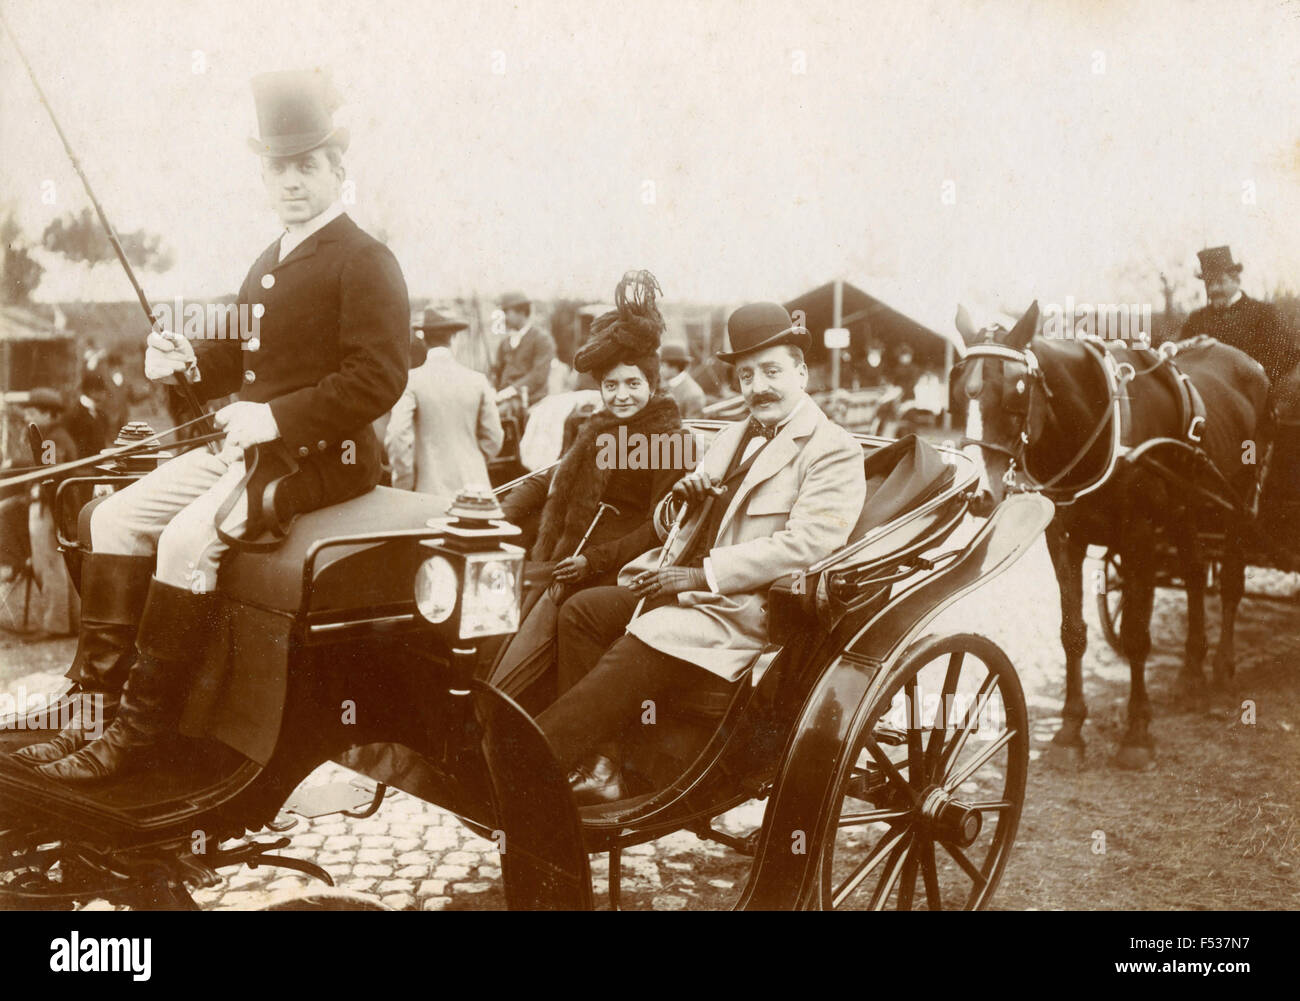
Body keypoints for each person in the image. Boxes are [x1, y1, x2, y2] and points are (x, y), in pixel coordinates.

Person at [19, 69, 410, 782]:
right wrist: (187, 359)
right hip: (251, 450)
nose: (291, 182)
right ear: (265, 176)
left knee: (184, 540)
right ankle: (91, 704)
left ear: (336, 170)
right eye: (278, 168)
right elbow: (243, 359)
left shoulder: (366, 259)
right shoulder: (270, 261)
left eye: (306, 166)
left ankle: (143, 733)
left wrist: (273, 416)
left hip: (325, 456)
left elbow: (379, 378)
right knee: (114, 518)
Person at [536, 302, 867, 803]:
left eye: (772, 371)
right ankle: (602, 764)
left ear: (802, 371)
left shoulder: (832, 448)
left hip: (744, 609)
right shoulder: (733, 434)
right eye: (746, 375)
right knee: (583, 612)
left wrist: (698, 577)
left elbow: (809, 545)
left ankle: (530, 759)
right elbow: (678, 521)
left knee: (652, 632)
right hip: (687, 590)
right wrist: (680, 501)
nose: (758, 387)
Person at [488, 272, 693, 705]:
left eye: (633, 384)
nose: (621, 396)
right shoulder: (597, 427)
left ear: (653, 385)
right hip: (568, 555)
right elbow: (553, 477)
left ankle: (551, 733)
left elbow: (661, 530)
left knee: (550, 620)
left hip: (618, 567)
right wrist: (496, 514)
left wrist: (591, 560)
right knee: (495, 599)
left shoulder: (668, 439)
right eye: (611, 385)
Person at [385, 308, 504, 512]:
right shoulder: (477, 381)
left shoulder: (411, 382)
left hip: (427, 495)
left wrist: (405, 484)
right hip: (476, 494)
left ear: (424, 339)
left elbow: (397, 438)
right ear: (453, 338)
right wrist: (471, 461)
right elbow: (494, 437)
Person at [1179, 246, 1300, 414]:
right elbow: (1182, 359)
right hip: (1207, 407)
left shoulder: (1264, 313)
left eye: (1220, 282)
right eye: (1209, 284)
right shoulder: (1196, 320)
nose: (1214, 290)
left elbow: (1282, 361)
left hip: (1255, 405)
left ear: (1236, 281)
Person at [492, 291, 555, 410]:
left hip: (532, 400)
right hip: (503, 399)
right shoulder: (505, 343)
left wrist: (511, 390)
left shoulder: (542, 339)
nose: (504, 317)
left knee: (497, 415)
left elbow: (538, 375)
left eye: (506, 312)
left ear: (521, 312)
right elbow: (497, 372)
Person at [659, 341, 707, 418]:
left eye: (662, 365)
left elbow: (691, 428)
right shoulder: (663, 384)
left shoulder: (693, 394)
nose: (659, 370)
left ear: (674, 367)